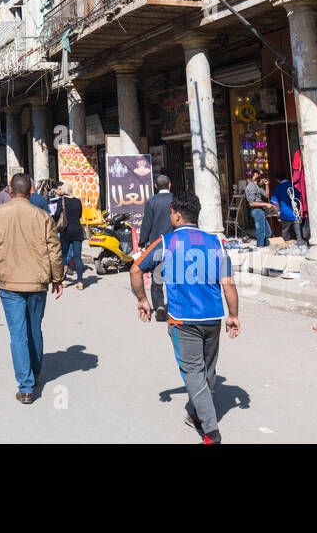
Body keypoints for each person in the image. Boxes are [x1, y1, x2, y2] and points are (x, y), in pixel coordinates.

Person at [130, 190, 240, 444]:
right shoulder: (217, 243)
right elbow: (229, 284)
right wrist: (233, 315)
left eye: (171, 213)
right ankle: (199, 415)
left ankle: (211, 430)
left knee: (192, 371)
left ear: (177, 215)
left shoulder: (166, 242)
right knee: (208, 369)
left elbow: (136, 269)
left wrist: (142, 300)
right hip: (213, 318)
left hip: (183, 319)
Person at [0, 173, 64, 404]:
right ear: (31, 191)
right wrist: (58, 278)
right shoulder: (43, 216)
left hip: (9, 282)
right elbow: (54, 250)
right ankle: (35, 374)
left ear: (11, 191)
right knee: (35, 329)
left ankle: (25, 387)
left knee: (18, 334)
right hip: (37, 282)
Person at [139, 174, 174, 319]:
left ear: (155, 186)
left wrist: (142, 242)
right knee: (174, 276)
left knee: (157, 277)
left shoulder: (151, 201)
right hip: (174, 243)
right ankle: (174, 307)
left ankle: (159, 305)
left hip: (156, 244)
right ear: (170, 185)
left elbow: (147, 223)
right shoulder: (176, 200)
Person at [55, 182, 87, 290]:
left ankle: (64, 280)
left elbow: (57, 214)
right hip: (77, 230)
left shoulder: (61, 200)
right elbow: (79, 215)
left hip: (66, 231)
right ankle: (80, 282)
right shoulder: (78, 201)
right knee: (78, 257)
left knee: (63, 256)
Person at [244, 171, 276, 248]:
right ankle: (260, 249)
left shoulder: (257, 186)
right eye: (260, 175)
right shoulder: (251, 186)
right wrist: (265, 204)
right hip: (257, 210)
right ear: (255, 175)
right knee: (261, 233)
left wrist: (267, 185)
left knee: (268, 233)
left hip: (261, 210)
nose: (261, 177)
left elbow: (266, 195)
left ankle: (265, 249)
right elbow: (251, 203)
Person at [271, 170, 304, 243]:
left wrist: (277, 215)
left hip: (285, 214)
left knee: (285, 232)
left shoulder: (277, 188)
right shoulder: (294, 185)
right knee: (299, 235)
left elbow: (275, 204)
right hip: (297, 213)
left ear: (277, 179)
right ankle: (301, 245)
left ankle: (288, 245)